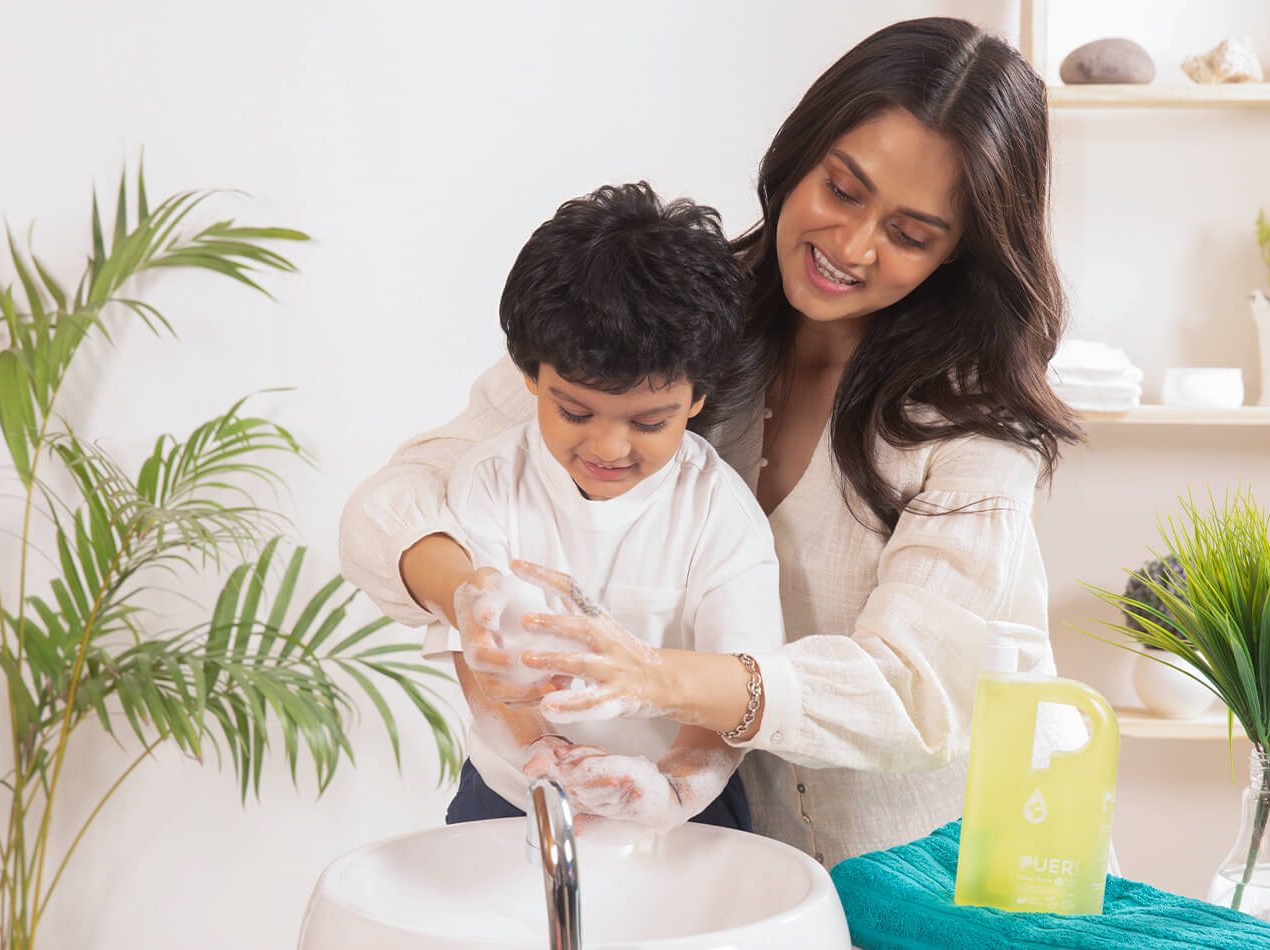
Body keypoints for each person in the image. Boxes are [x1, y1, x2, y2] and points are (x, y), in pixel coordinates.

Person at [340, 16, 1082, 867]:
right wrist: (469, 593)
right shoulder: (672, 318)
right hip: (724, 853)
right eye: (842, 189)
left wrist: (651, 675)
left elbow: (912, 693)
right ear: (799, 156)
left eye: (910, 235)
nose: (851, 247)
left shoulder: (975, 425)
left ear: (959, 254)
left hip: (937, 866)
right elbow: (392, 504)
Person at [425, 182, 783, 832]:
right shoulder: (491, 481)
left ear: (698, 396)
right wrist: (542, 751)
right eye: (575, 411)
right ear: (530, 375)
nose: (609, 446)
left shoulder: (719, 513)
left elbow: (738, 688)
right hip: (513, 786)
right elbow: (474, 657)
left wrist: (670, 789)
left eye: (649, 421)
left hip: (687, 798)